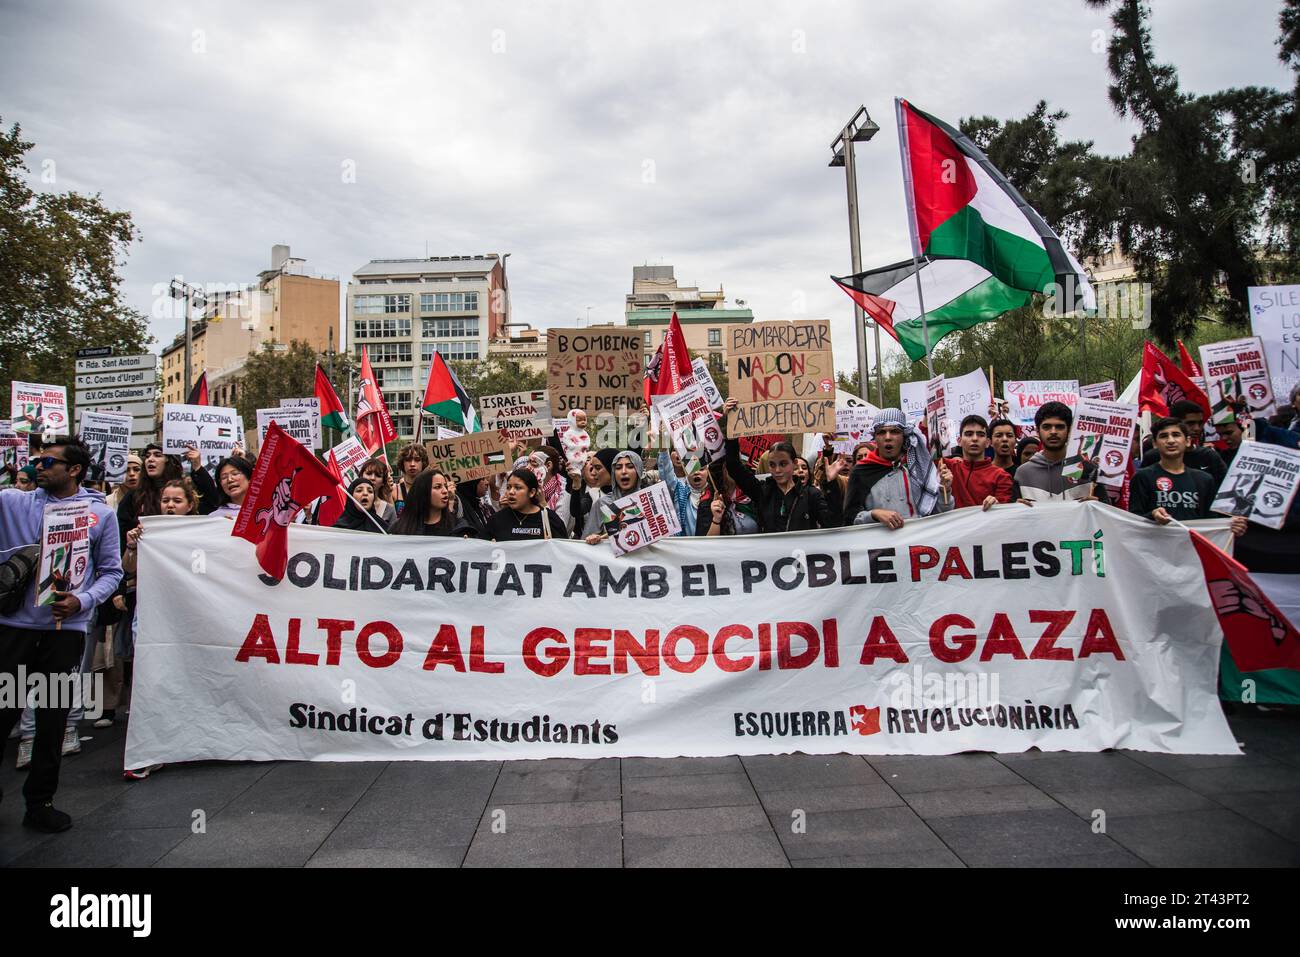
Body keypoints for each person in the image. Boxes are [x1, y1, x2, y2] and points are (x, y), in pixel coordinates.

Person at [0, 438, 123, 832]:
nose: (39, 466)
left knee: (52, 719)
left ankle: (40, 802)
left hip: (62, 633)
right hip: (14, 631)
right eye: (37, 460)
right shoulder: (11, 503)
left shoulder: (100, 516)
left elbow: (112, 572)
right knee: (2, 713)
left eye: (49, 461)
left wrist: (83, 601)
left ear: (73, 470)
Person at [116, 477, 200, 780]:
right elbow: (128, 568)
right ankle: (149, 749)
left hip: (190, 618)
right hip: (153, 616)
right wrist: (133, 547)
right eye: (166, 500)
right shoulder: (147, 532)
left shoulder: (205, 532)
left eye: (177, 501)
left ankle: (186, 739)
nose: (170, 505)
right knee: (150, 677)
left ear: (190, 505)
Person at [720, 402, 837, 532]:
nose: (777, 470)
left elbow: (832, 524)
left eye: (783, 464)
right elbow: (733, 465)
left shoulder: (811, 495)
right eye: (772, 465)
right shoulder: (762, 491)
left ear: (794, 464)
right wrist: (730, 422)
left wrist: (831, 484)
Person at [1129, 417, 1246, 534]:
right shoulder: (1142, 477)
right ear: (1155, 443)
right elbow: (1131, 521)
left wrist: (1230, 525)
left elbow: (1211, 521)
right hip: (1156, 548)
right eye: (1164, 436)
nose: (1170, 440)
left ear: (1188, 441)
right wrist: (1153, 515)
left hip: (1191, 549)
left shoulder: (1204, 480)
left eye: (1176, 435)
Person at [845, 408, 953, 528]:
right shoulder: (861, 472)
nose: (887, 437)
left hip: (920, 543)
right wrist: (874, 514)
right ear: (874, 437)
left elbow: (940, 513)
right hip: (880, 545)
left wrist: (945, 490)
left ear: (904, 436)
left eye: (894, 431)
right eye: (881, 432)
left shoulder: (919, 468)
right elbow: (849, 516)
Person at [1011, 402, 1098, 503]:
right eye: (1046, 427)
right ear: (1038, 431)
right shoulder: (1023, 473)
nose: (1053, 432)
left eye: (1059, 427)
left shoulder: (1088, 469)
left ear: (1069, 430)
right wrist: (1017, 508)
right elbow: (1013, 515)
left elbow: (1107, 510)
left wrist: (1098, 506)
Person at [1138, 399, 1227, 488]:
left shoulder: (1209, 456)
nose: (1197, 428)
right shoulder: (1153, 457)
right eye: (1190, 423)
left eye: (1200, 423)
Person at [945, 415, 1013, 510]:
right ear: (959, 441)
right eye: (969, 434)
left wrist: (997, 504)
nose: (975, 438)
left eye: (980, 434)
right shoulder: (947, 467)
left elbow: (1005, 512)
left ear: (988, 442)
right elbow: (925, 454)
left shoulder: (1001, 476)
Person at [584, 450, 646, 545]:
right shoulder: (603, 503)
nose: (624, 471)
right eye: (618, 468)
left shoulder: (649, 499)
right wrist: (593, 539)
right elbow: (583, 544)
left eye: (630, 467)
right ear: (613, 473)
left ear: (639, 470)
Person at [390, 469, 475, 536]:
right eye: (438, 487)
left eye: (445, 486)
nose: (445, 491)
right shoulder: (399, 529)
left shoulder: (459, 527)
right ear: (423, 492)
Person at [489, 468, 567, 541]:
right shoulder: (497, 520)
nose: (511, 492)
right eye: (508, 487)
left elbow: (562, 550)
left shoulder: (550, 519)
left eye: (518, 488)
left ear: (532, 492)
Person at [656, 450, 709, 536]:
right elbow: (667, 475)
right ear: (686, 473)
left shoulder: (714, 495)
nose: (696, 472)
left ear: (708, 472)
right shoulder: (680, 490)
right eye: (692, 469)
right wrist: (664, 450)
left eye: (701, 469)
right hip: (682, 545)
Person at [360, 458, 398, 524]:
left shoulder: (389, 509)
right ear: (361, 476)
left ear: (383, 482)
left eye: (378, 475)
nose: (372, 478)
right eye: (369, 474)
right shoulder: (351, 505)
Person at [393, 443, 430, 508]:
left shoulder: (431, 490)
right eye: (408, 460)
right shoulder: (394, 491)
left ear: (423, 462)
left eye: (417, 460)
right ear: (402, 463)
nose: (412, 464)